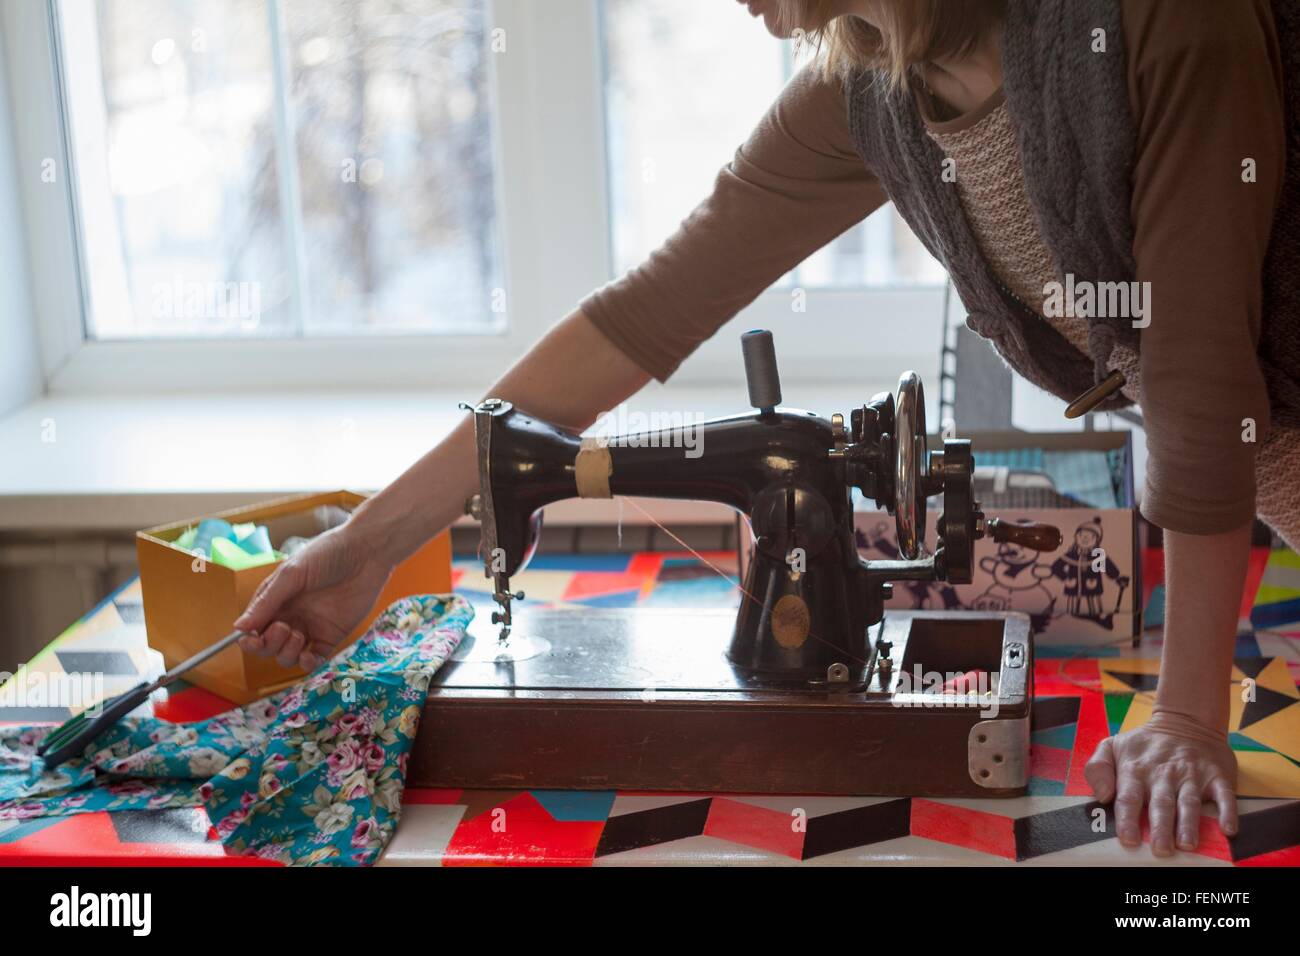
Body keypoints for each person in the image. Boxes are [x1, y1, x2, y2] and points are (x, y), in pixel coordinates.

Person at [235, 0, 1298, 858]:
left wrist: (1191, 715)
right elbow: (640, 316)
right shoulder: (871, 89)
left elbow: (1199, 387)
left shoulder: (1166, 23)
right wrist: (363, 547)